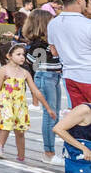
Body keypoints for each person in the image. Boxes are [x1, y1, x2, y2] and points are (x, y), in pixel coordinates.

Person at [0, 42, 53, 163]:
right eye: (18, 54)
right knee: (7, 121)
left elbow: (35, 91)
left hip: (20, 105)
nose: (22, 57)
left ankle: (21, 156)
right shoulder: (3, 70)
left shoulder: (25, 73)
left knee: (20, 130)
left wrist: (47, 107)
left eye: (23, 54)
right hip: (4, 101)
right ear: (9, 56)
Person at [23, 9, 64, 163]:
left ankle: (51, 149)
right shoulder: (39, 43)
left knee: (55, 114)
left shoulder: (43, 42)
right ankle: (49, 153)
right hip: (46, 77)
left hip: (52, 76)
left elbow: (32, 62)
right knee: (50, 114)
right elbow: (33, 63)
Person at [47, 0, 91, 108]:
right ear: (79, 0)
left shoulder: (53, 24)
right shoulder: (87, 24)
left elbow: (54, 52)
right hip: (87, 72)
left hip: (70, 75)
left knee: (79, 118)